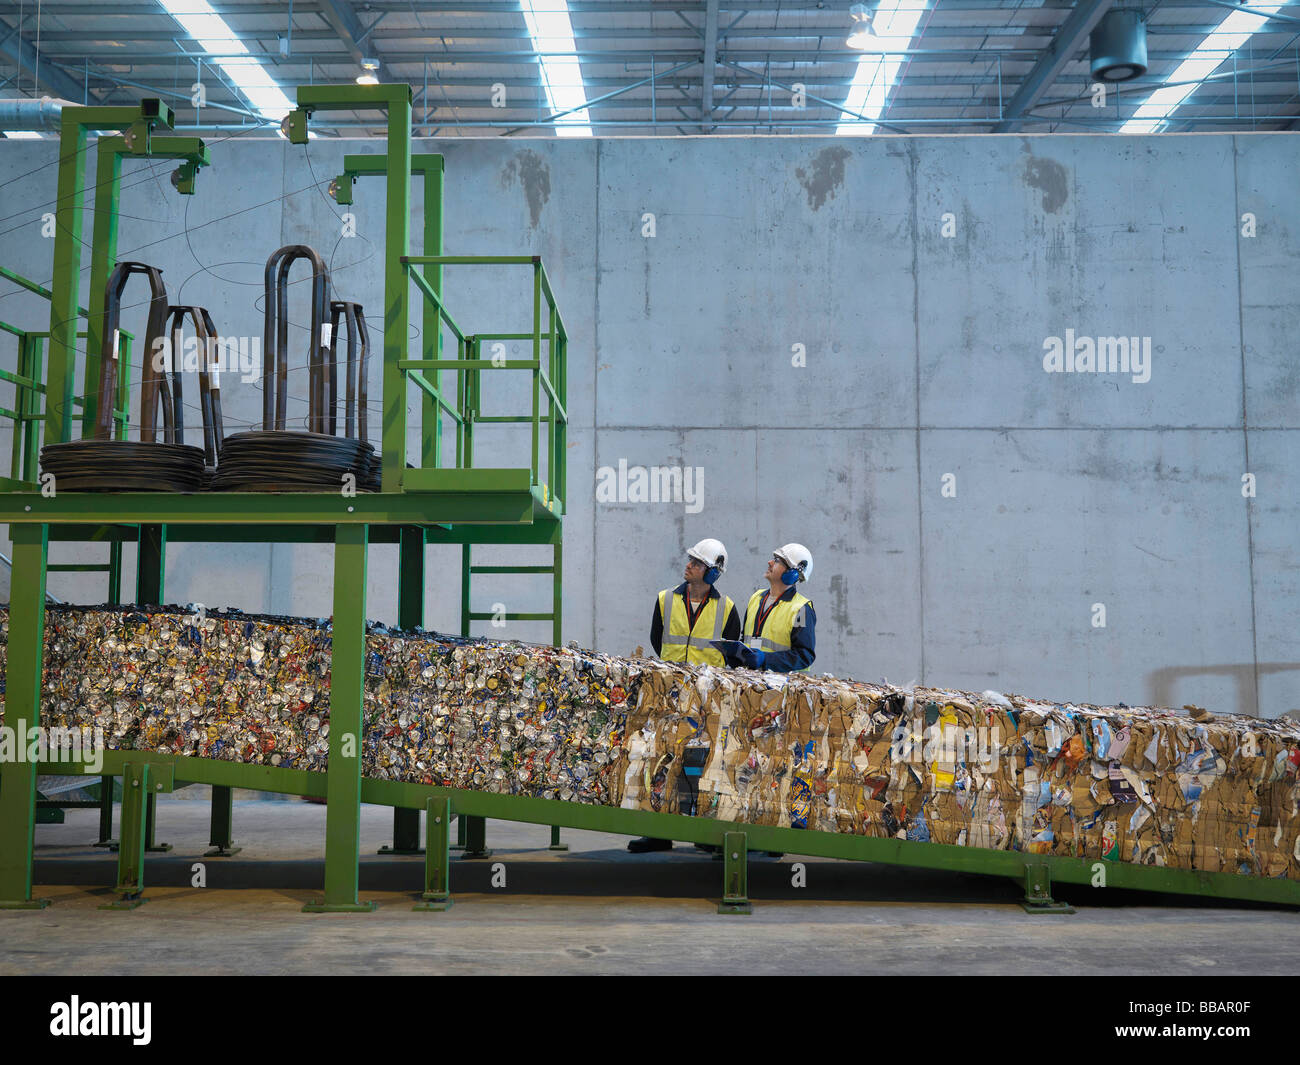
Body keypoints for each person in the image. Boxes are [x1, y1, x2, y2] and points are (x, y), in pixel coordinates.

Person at [628, 538, 741, 854]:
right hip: (670, 696)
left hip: (707, 701)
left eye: (697, 562)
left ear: (712, 573)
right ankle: (659, 833)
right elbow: (657, 639)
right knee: (661, 759)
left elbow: (732, 655)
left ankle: (703, 833)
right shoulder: (665, 599)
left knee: (701, 766)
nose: (689, 564)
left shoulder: (728, 609)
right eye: (690, 559)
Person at [728, 543, 816, 673]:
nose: (769, 562)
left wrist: (766, 659)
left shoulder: (801, 609)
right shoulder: (756, 598)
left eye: (777, 560)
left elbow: (804, 656)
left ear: (792, 573)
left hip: (782, 688)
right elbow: (746, 640)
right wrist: (735, 654)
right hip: (751, 683)